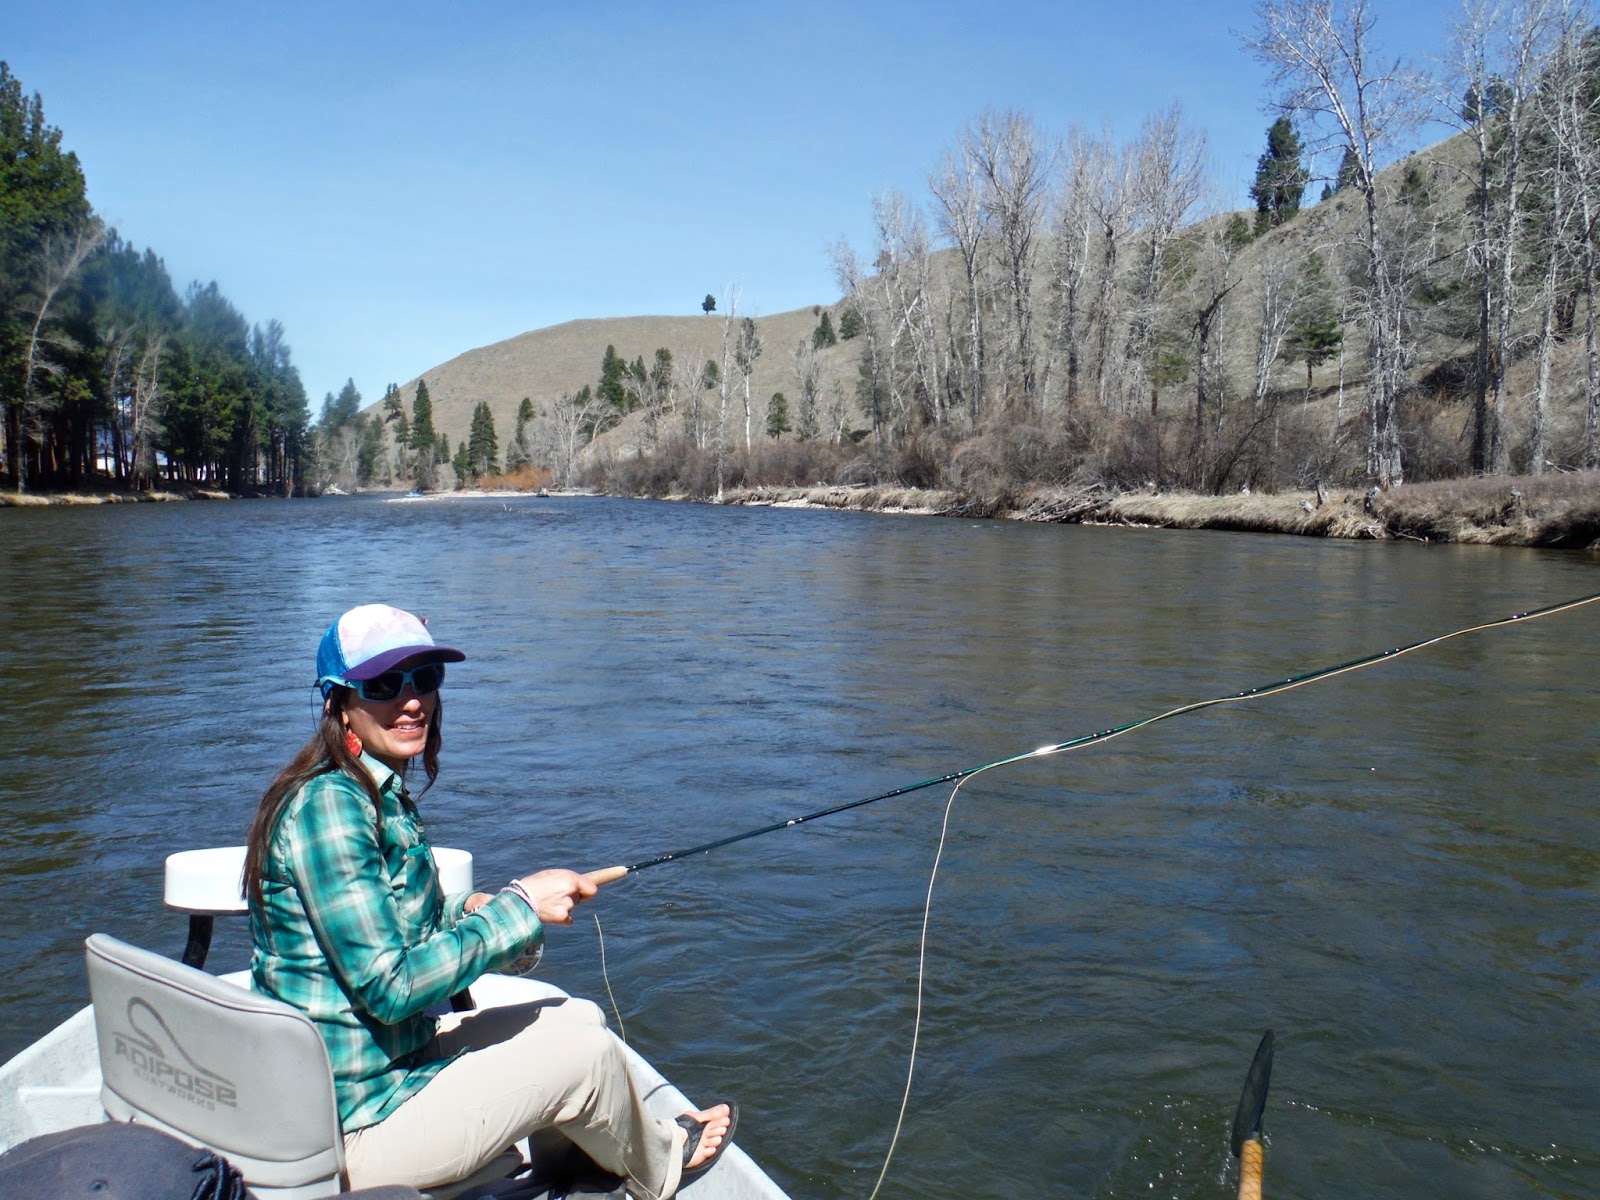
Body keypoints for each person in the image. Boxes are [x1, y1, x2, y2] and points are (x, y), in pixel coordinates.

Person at [243, 604, 734, 1198]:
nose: (412, 700)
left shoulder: (373, 791)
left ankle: (574, 1159)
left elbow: (401, 926)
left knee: (575, 1016)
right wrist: (520, 907)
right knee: (583, 1057)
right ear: (338, 702)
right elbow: (390, 986)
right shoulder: (332, 807)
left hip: (392, 1070)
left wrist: (478, 909)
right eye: (383, 685)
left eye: (424, 678)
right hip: (349, 1128)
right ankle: (661, 1168)